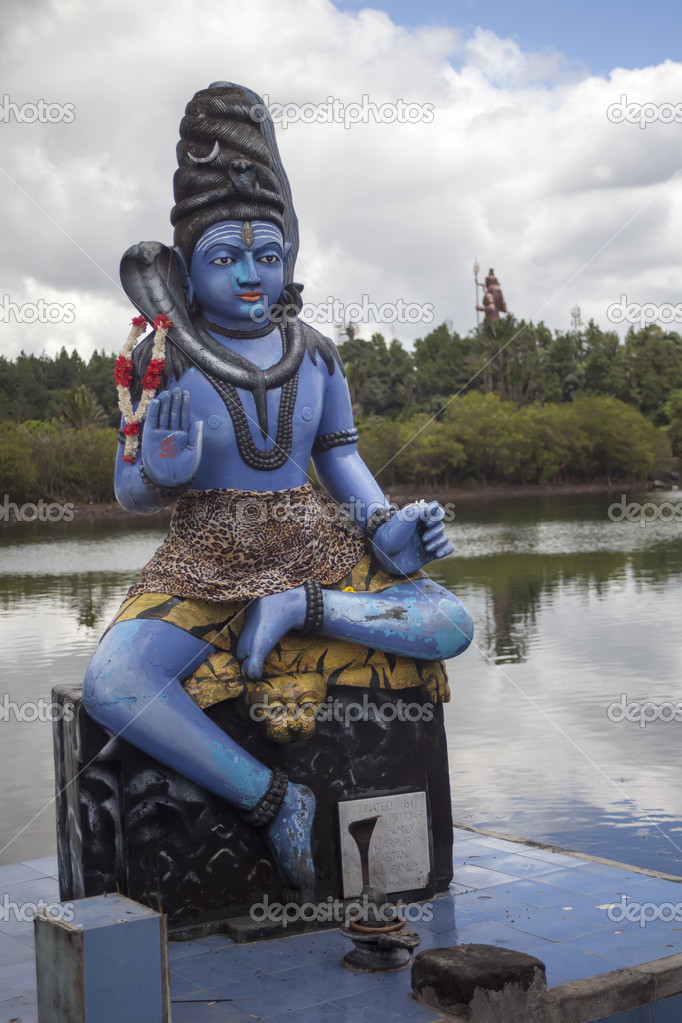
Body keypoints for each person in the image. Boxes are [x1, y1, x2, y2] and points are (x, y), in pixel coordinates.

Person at [82, 82, 473, 899]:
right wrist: (156, 469)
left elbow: (345, 466)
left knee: (450, 621)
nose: (252, 275)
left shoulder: (315, 353)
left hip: (313, 541)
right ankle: (271, 797)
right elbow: (131, 491)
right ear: (184, 267)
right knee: (114, 683)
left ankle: (303, 607)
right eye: (227, 258)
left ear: (291, 256)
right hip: (206, 553)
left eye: (269, 255)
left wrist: (393, 528)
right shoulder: (167, 357)